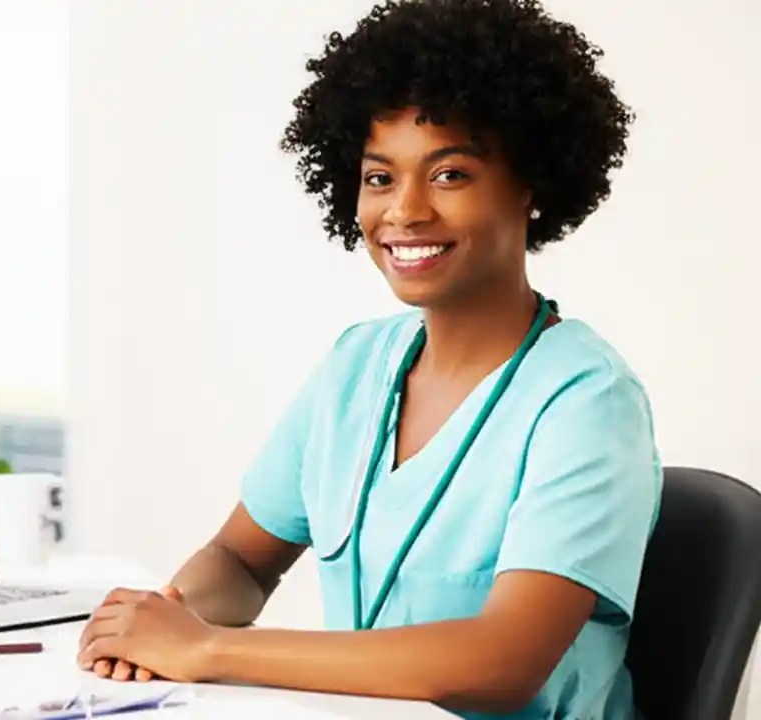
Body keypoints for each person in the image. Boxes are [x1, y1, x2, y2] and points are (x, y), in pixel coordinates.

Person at [76, 1, 662, 718]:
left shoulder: (588, 401)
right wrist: (167, 617)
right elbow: (241, 561)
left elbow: (503, 661)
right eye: (380, 178)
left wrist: (208, 649)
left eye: (450, 175)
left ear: (531, 185)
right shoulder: (357, 366)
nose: (405, 211)